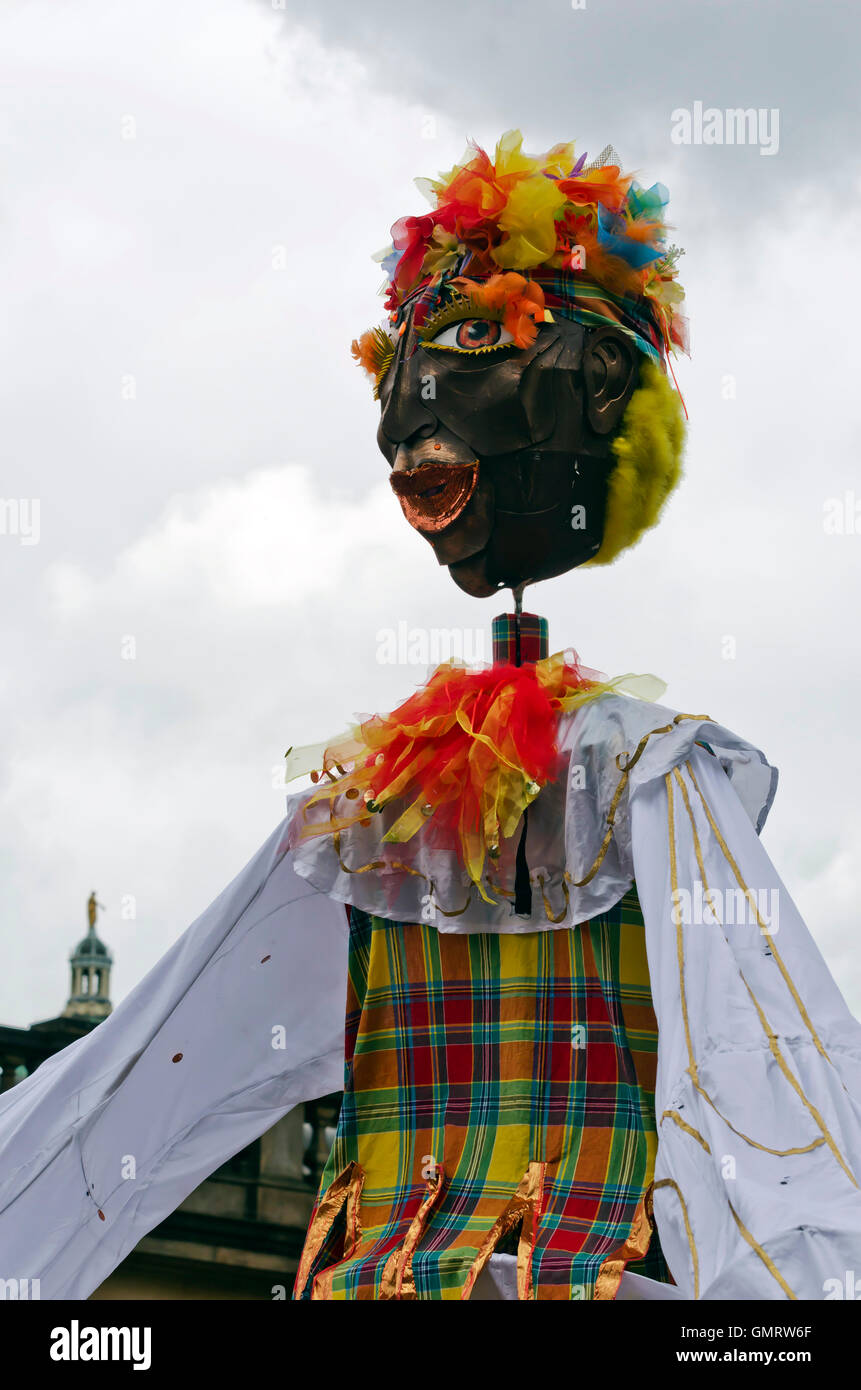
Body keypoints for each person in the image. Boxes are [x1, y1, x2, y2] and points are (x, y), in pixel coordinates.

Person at [0, 132, 859, 1302]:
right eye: (397, 371)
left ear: (601, 390)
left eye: (465, 347)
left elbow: (761, 1066)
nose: (404, 417)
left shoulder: (629, 775)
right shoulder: (382, 805)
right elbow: (155, 1049)